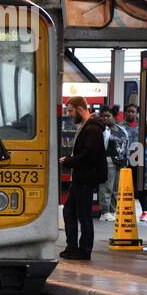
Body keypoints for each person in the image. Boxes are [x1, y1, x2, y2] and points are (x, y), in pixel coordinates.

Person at [60, 95, 107, 261]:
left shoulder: (92, 128)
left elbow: (89, 155)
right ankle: (72, 246)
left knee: (84, 215)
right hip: (79, 178)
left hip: (85, 178)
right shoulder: (85, 126)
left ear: (80, 109)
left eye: (71, 111)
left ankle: (84, 249)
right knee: (69, 211)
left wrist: (68, 161)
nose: (70, 114)